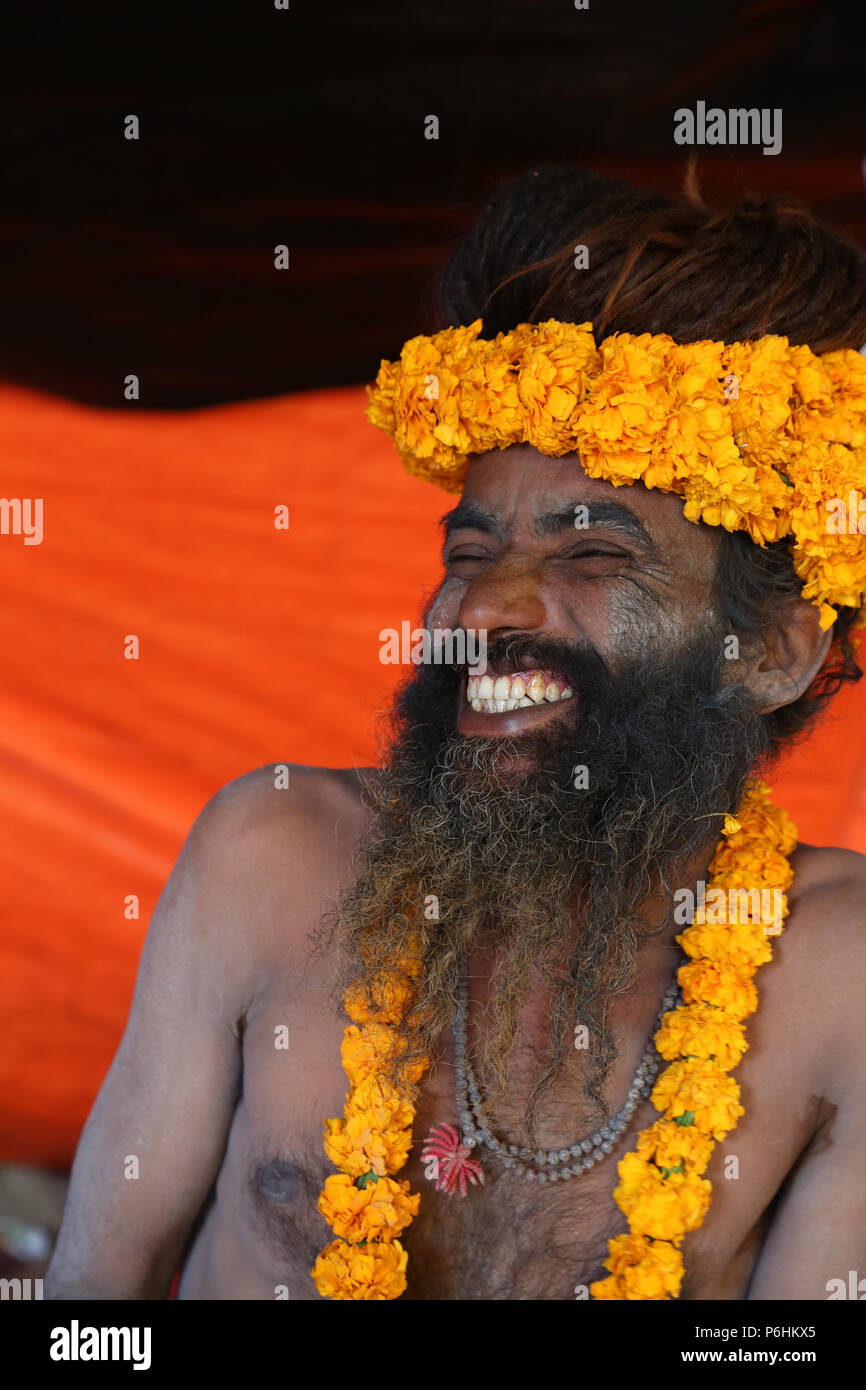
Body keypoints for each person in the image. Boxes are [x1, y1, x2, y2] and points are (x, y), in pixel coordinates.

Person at [45, 167, 866, 1301]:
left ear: (771, 650)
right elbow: (92, 1311)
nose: (479, 611)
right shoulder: (272, 855)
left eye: (589, 556)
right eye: (468, 556)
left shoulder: (839, 971)